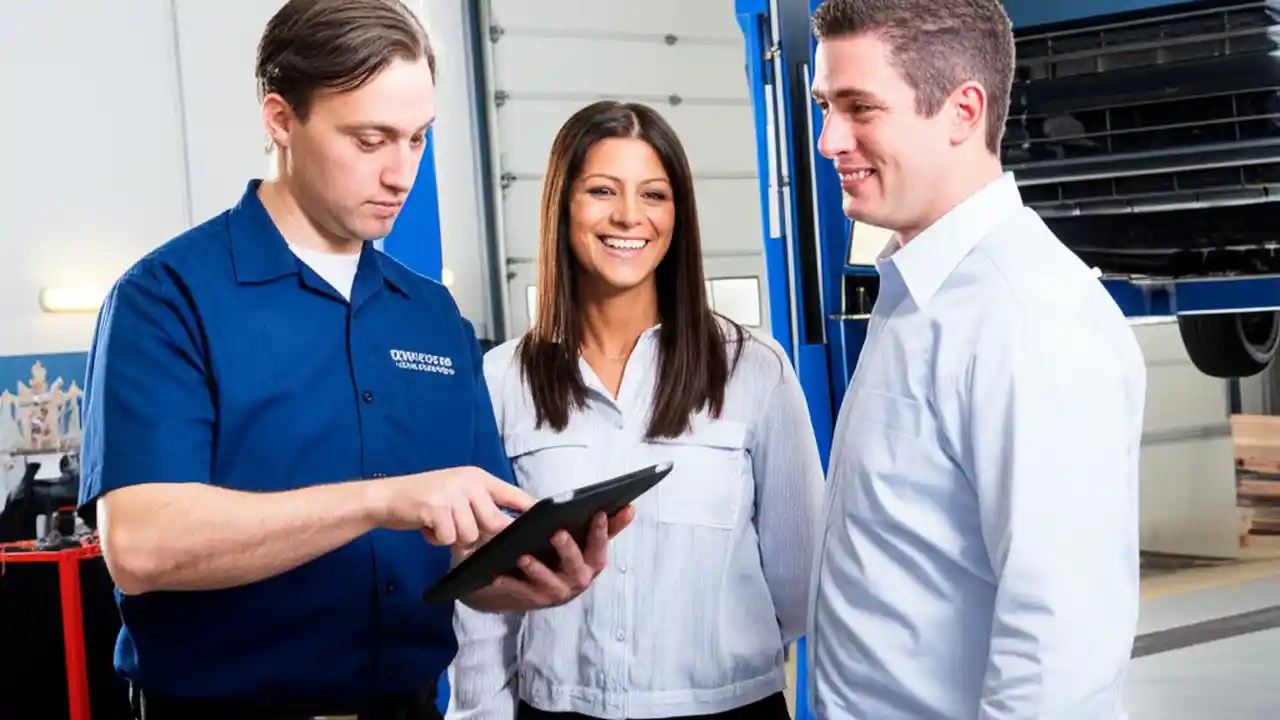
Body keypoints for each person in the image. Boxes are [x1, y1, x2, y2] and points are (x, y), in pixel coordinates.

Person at [78, 2, 632, 719]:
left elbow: (468, 554)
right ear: (281, 118)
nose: (401, 173)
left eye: (418, 138)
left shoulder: (431, 317)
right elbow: (143, 547)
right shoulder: (167, 298)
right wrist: (380, 501)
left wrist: (527, 574)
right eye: (370, 140)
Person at [806, 0, 1147, 718]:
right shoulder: (921, 294)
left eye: (860, 107)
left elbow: (1060, 651)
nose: (829, 139)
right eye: (825, 106)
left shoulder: (1027, 319)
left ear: (963, 112)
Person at [446, 101, 825, 720]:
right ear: (563, 204)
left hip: (727, 708)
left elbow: (799, 582)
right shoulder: (502, 380)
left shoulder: (753, 372)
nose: (629, 215)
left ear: (678, 215)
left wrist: (710, 665)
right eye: (602, 190)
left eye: (654, 194)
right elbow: (485, 610)